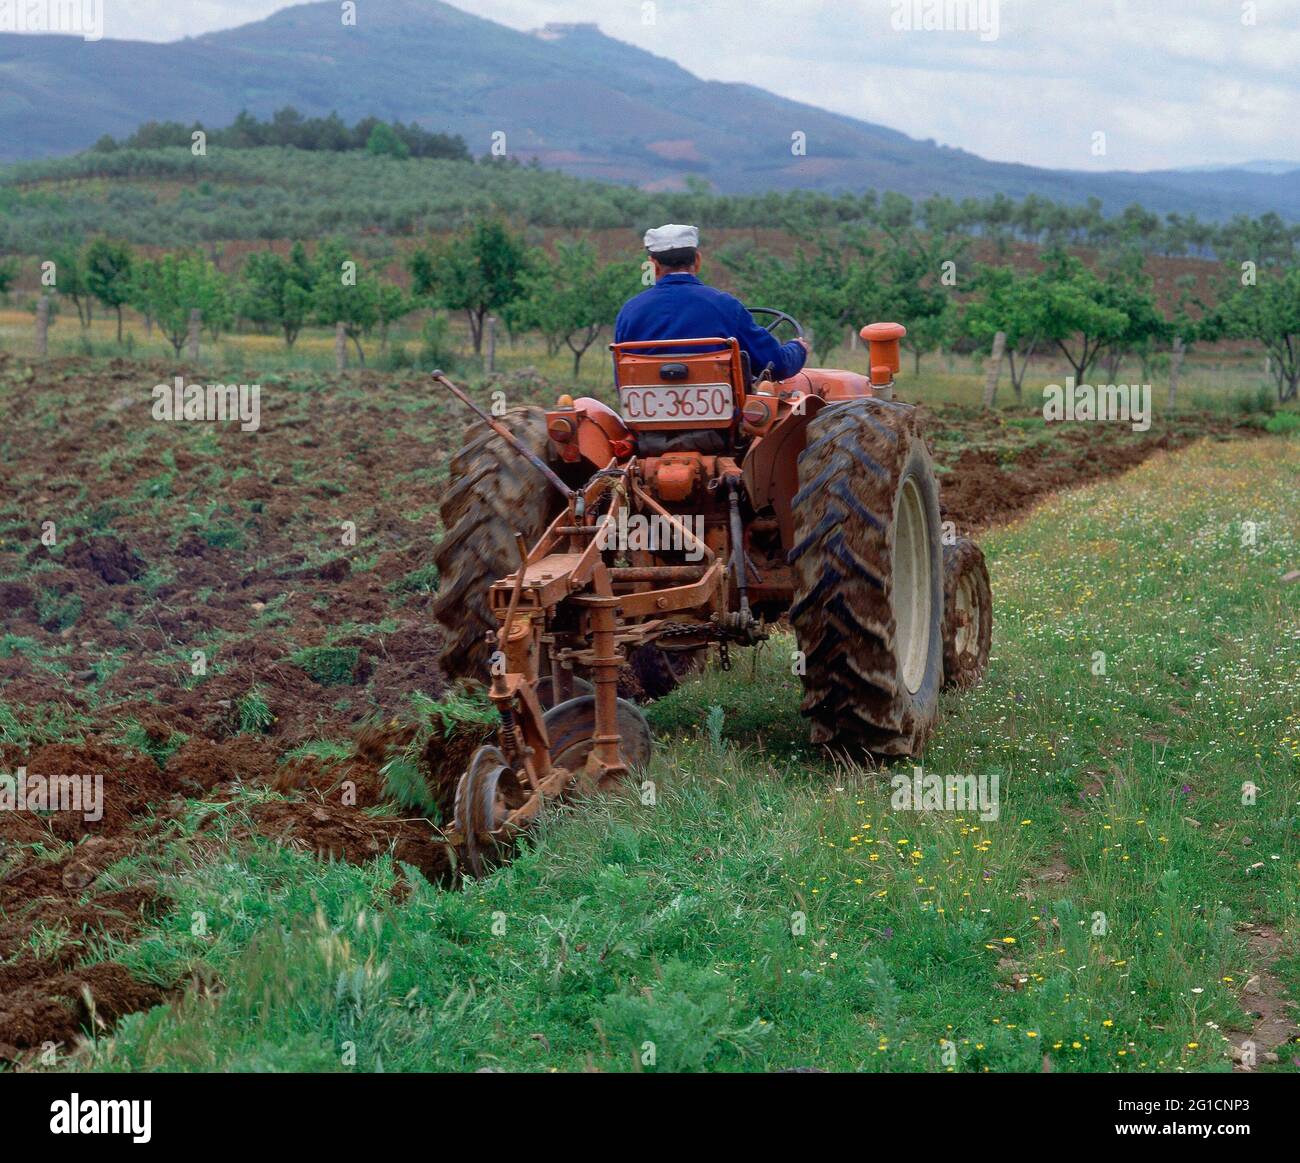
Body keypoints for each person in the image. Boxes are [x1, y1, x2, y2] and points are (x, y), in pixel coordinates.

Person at [614, 224, 809, 380]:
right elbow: (775, 365)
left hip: (644, 420)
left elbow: (620, 376)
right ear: (697, 261)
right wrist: (797, 348)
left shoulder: (630, 311)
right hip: (721, 425)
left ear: (653, 265)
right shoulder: (725, 305)